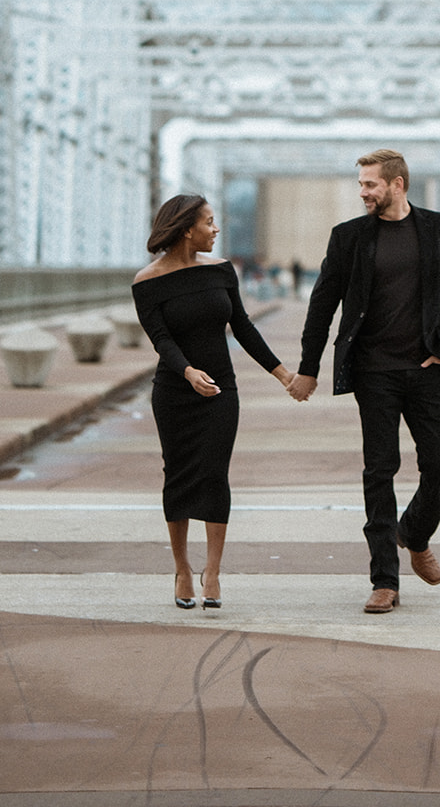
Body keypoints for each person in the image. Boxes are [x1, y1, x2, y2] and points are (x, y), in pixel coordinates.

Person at [287, 148, 440, 615]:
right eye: (361, 185)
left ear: (398, 184)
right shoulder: (349, 237)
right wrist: (309, 368)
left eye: (370, 184)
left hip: (427, 370)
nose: (364, 193)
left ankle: (414, 533)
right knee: (379, 470)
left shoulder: (438, 229)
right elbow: (322, 304)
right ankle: (384, 580)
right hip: (374, 372)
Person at [132, 194, 295, 611]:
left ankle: (214, 572)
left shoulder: (222, 272)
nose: (216, 229)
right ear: (188, 228)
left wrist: (283, 375)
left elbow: (242, 327)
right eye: (209, 222)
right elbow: (161, 340)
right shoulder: (146, 282)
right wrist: (187, 371)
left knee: (214, 474)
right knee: (179, 476)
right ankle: (183, 569)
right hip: (174, 391)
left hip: (222, 390)